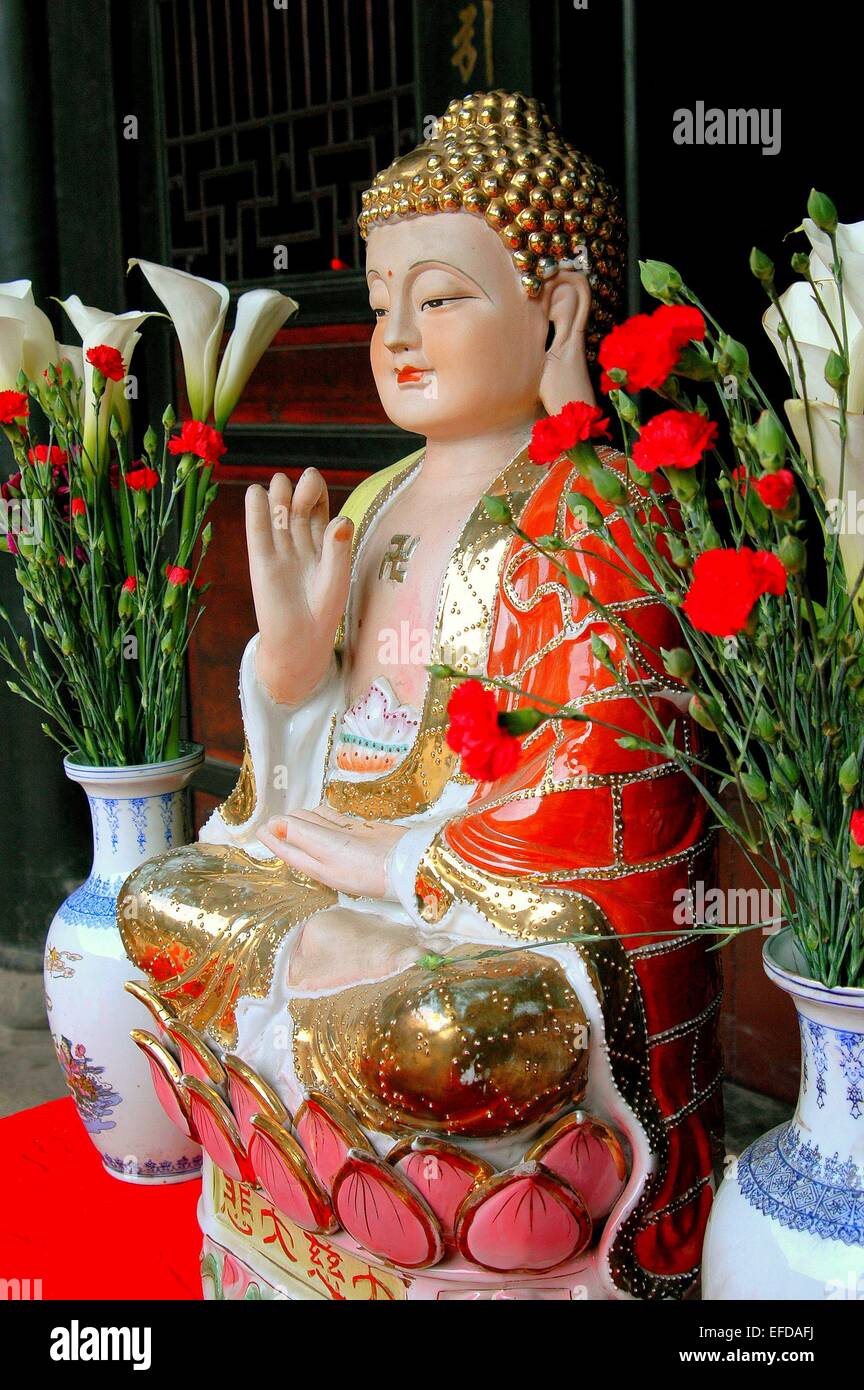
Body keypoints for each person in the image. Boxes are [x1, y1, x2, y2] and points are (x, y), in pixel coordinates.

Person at [120, 92, 722, 1298]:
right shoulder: (375, 500)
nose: (395, 335)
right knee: (161, 895)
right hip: (362, 902)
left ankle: (399, 1170)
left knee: (447, 1039)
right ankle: (333, 1162)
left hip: (498, 935)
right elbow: (312, 777)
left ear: (554, 308)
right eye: (384, 300)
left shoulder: (600, 506)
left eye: (439, 298)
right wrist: (288, 675)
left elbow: (604, 789)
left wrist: (399, 869)